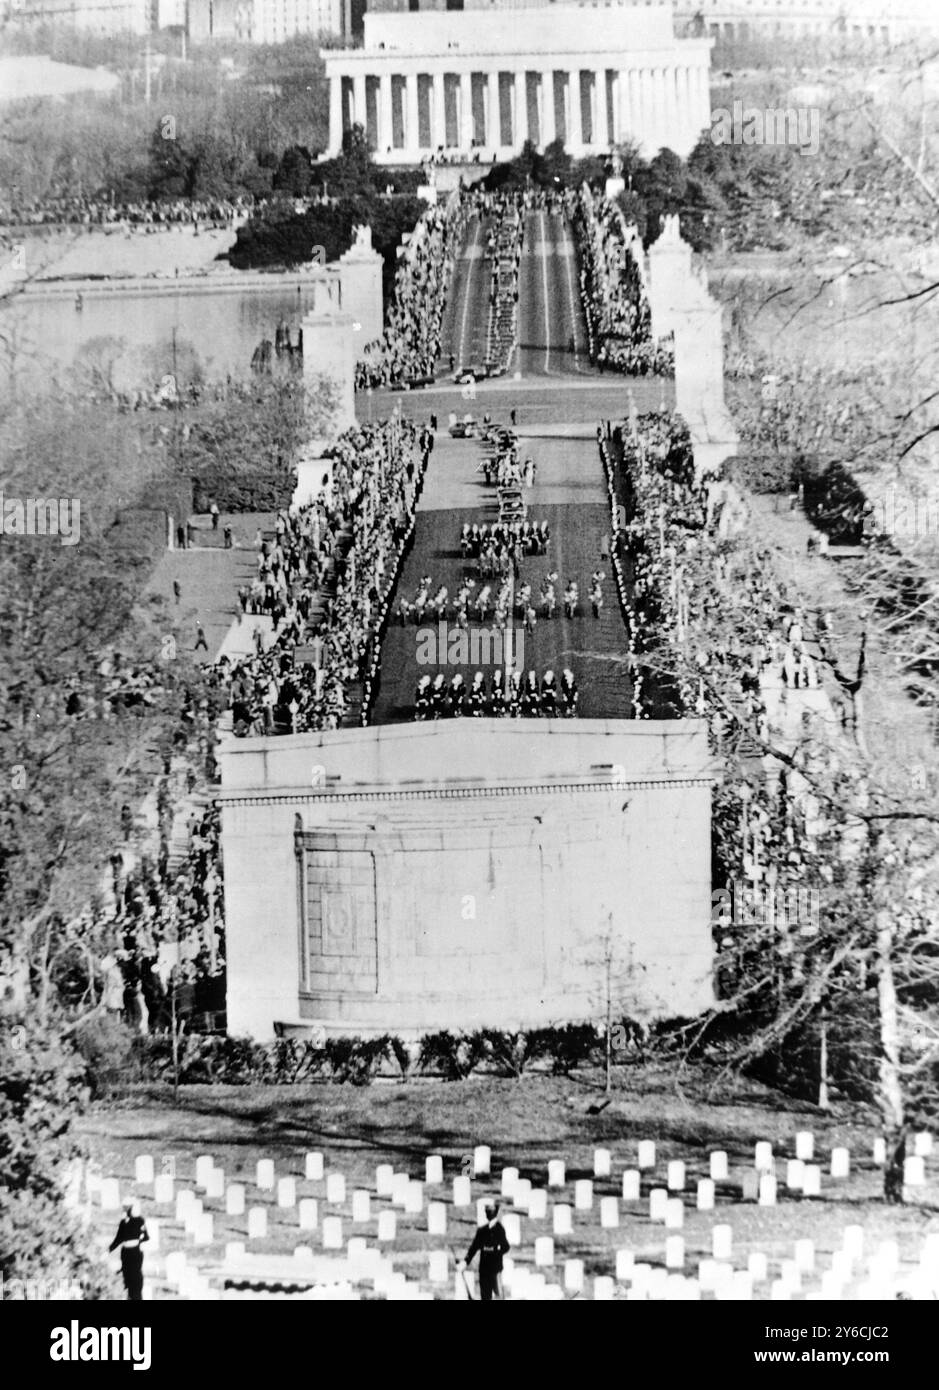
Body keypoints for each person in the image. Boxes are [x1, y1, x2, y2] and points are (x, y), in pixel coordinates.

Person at [460, 1201, 510, 1300]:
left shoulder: (499, 1229)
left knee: (498, 1296)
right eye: (487, 1211)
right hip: (484, 1269)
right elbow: (474, 1247)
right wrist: (465, 1262)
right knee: (485, 1296)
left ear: (495, 1212)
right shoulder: (482, 1230)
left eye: (490, 1211)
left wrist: (494, 1250)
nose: (487, 1213)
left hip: (495, 1269)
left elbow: (506, 1247)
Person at [109, 1200, 149, 1301]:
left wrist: (137, 1241)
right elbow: (119, 1238)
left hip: (135, 1253)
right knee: (127, 1279)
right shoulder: (123, 1222)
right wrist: (109, 1250)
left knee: (135, 1279)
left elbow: (146, 1237)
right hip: (126, 1253)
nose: (126, 1211)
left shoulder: (139, 1220)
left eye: (127, 1208)